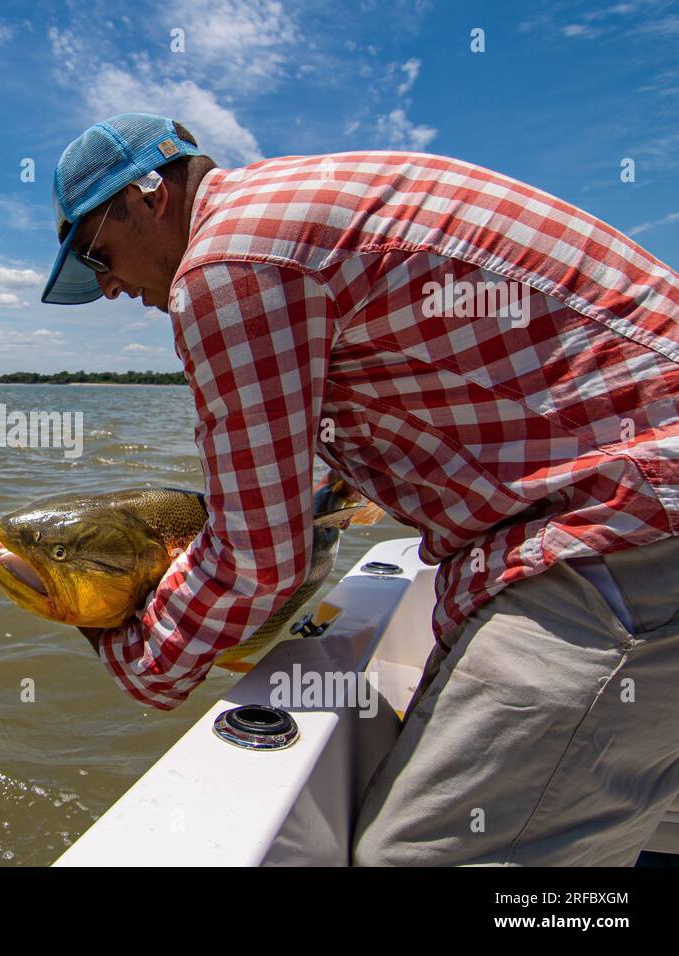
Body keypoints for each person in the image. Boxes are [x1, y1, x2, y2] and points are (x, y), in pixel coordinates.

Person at [40, 112, 679, 866]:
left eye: (95, 252)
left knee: (418, 857)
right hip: (634, 519)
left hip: (624, 536)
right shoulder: (304, 207)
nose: (108, 287)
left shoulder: (227, 263)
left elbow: (258, 555)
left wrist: (139, 657)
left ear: (150, 196)